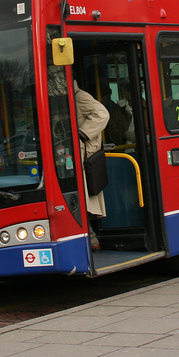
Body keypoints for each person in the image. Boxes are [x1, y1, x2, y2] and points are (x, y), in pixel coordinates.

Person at [74, 80, 110, 251]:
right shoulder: (65, 97)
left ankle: (91, 238)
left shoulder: (79, 96)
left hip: (82, 156)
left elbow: (102, 114)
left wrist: (82, 134)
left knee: (81, 198)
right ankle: (90, 238)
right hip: (73, 155)